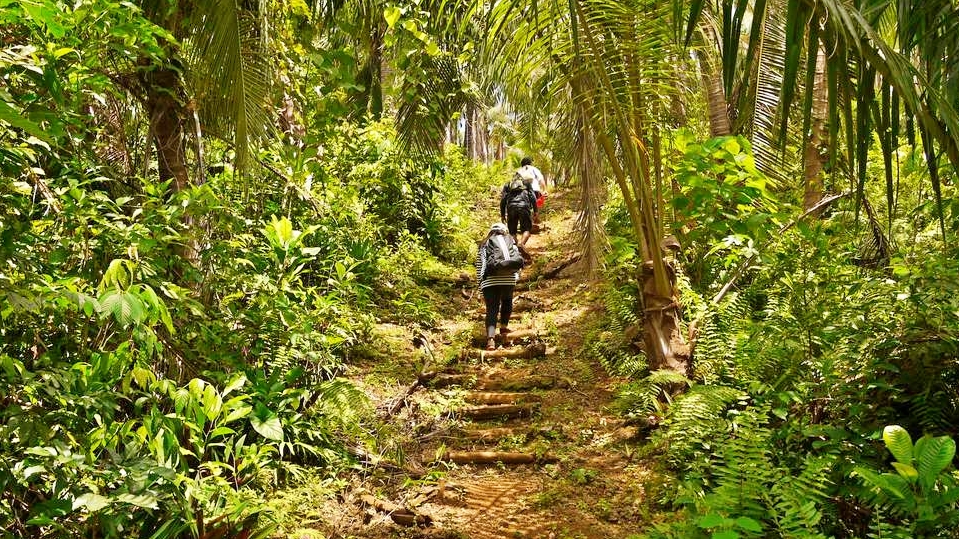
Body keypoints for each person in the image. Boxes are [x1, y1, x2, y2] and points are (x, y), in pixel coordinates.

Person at [475, 223, 523, 350]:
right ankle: (503, 329)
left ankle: (491, 340)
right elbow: (517, 259)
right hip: (508, 279)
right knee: (507, 301)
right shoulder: (510, 241)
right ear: (504, 231)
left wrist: (480, 284)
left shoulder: (485, 244)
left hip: (490, 281)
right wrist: (515, 278)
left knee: (492, 309)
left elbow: (481, 264)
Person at [500, 169, 538, 251]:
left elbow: (503, 200)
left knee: (512, 231)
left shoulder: (508, 184)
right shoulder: (526, 184)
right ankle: (521, 244)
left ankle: (515, 247)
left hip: (511, 208)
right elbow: (533, 197)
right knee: (526, 229)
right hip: (524, 207)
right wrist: (535, 211)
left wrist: (502, 214)